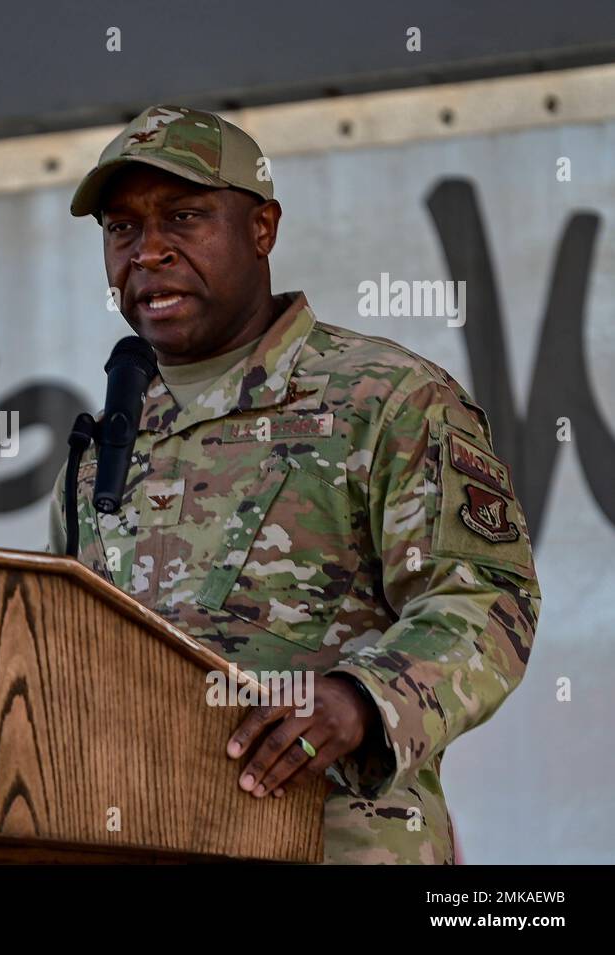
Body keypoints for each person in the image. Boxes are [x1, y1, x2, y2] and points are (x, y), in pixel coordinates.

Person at [48, 105, 541, 864]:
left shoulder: (384, 397)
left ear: (262, 229)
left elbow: (486, 596)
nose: (148, 252)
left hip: (334, 842)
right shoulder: (100, 452)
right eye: (122, 229)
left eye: (183, 216)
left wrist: (361, 698)